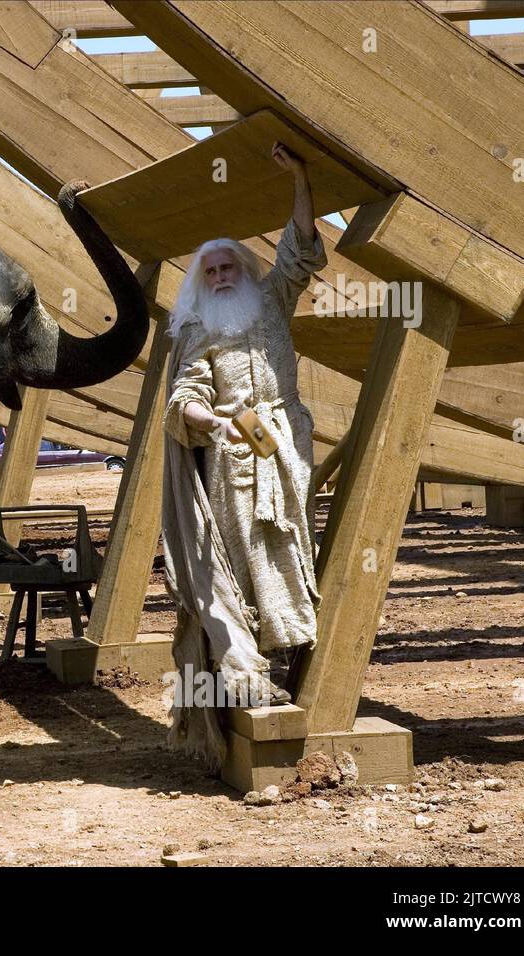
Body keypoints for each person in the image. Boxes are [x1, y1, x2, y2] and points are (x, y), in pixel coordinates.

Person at [160, 142, 327, 768]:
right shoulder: (199, 331)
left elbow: (300, 249)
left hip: (287, 448)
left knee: (290, 547)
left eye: (230, 266)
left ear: (246, 271)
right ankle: (247, 676)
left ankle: (283, 662)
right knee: (243, 557)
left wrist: (300, 180)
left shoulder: (273, 302)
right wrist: (215, 425)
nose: (223, 275)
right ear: (202, 284)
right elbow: (183, 401)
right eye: (212, 271)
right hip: (232, 460)